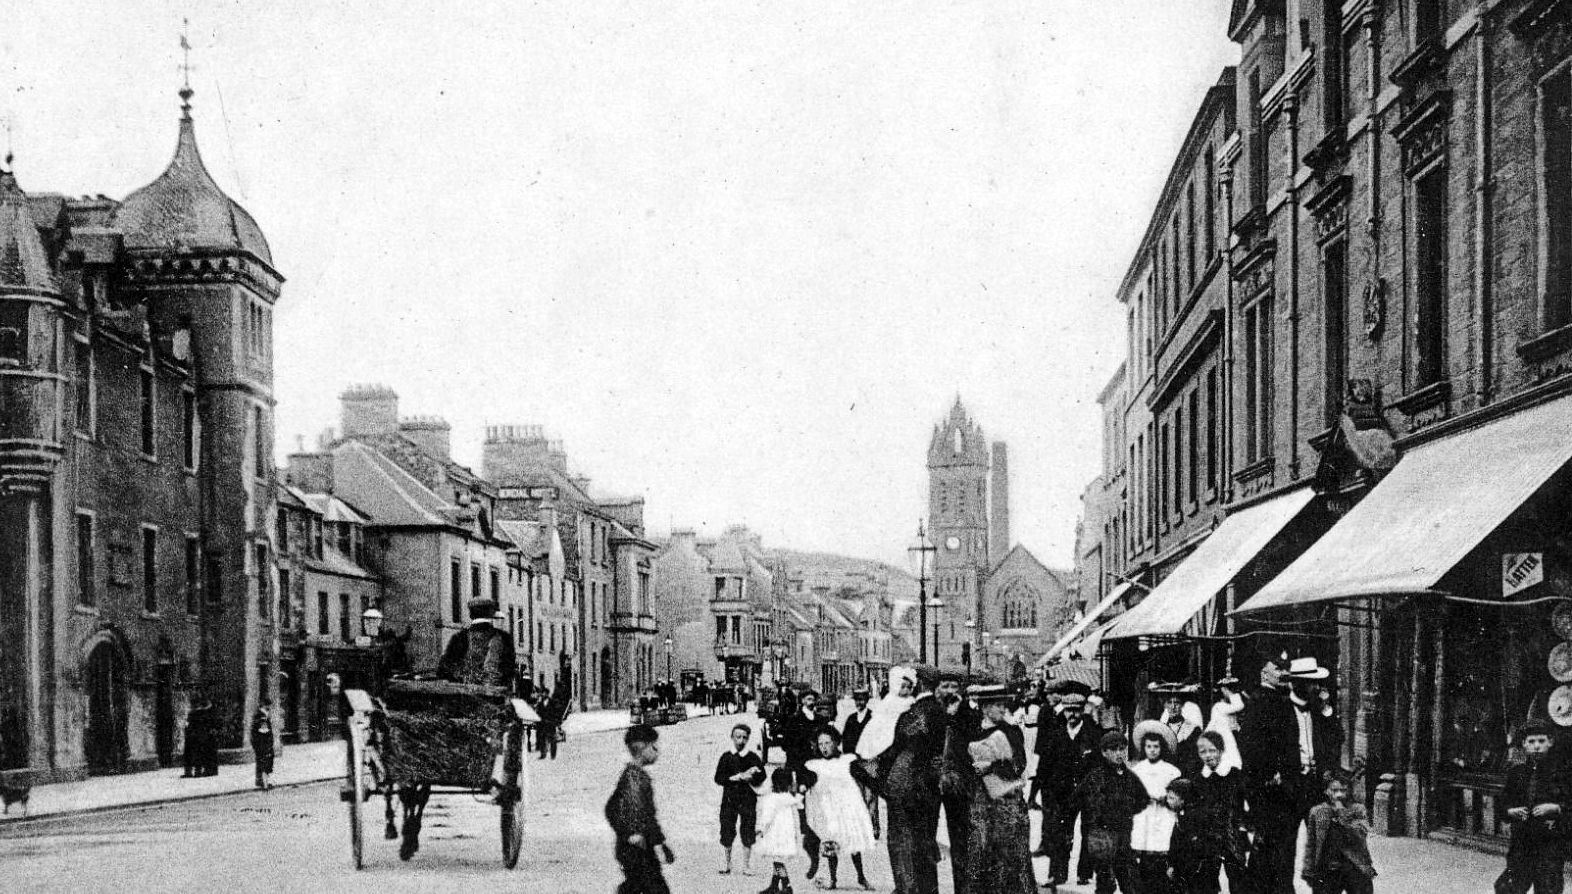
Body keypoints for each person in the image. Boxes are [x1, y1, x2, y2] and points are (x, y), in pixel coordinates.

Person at [1237, 652, 1304, 894]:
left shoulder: (1280, 699)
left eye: (1284, 668)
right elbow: (1252, 746)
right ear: (1264, 673)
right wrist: (1271, 774)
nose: (1283, 672)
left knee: (1278, 846)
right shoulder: (1261, 701)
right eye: (1277, 668)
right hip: (1270, 787)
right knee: (1273, 845)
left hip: (1282, 786)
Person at [876, 665, 947, 894]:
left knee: (903, 841)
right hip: (930, 788)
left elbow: (895, 748)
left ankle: (907, 888)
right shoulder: (941, 712)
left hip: (906, 787)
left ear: (920, 684)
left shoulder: (911, 714)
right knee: (926, 840)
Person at [962, 683, 1035, 894]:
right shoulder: (973, 730)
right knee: (983, 855)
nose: (1003, 710)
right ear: (985, 708)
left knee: (1011, 857)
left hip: (1006, 802)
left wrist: (991, 766)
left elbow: (1019, 766)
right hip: (981, 802)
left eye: (1004, 705)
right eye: (998, 705)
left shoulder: (1010, 731)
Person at [1036, 691, 1103, 888]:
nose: (1072, 714)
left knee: (1089, 830)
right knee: (1060, 832)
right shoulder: (1056, 734)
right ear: (1063, 711)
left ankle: (1084, 873)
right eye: (1068, 711)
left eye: (1076, 710)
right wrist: (1045, 790)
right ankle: (1057, 874)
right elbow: (1045, 765)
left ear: (1083, 711)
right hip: (1063, 793)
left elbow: (1101, 765)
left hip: (1088, 792)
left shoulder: (1094, 735)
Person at [1498, 718, 1569, 894]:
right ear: (1524, 744)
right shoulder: (1517, 773)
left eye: (1541, 741)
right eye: (1531, 741)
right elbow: (1503, 803)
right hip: (1522, 842)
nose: (1536, 746)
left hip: (1549, 843)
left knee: (1548, 888)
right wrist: (1510, 811)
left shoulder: (1562, 773)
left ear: (1550, 742)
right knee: (1507, 888)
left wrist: (1556, 808)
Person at [1071, 730, 1146, 894]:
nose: (1119, 753)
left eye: (1122, 749)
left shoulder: (1130, 777)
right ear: (1104, 752)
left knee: (1132, 882)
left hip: (1123, 837)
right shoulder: (1096, 776)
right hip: (1102, 838)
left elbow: (1142, 800)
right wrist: (1094, 821)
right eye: (1114, 749)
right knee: (1106, 883)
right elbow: (1076, 800)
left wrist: (1127, 812)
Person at [804, 726, 877, 890]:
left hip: (846, 807)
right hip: (828, 809)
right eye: (820, 744)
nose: (824, 747)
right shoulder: (815, 765)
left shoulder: (846, 761)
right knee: (831, 840)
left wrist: (876, 788)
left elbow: (865, 777)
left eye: (827, 743)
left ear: (836, 743)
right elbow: (807, 781)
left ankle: (861, 877)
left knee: (852, 839)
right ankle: (833, 879)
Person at [605, 724, 675, 894]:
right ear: (641, 747)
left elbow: (611, 808)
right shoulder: (635, 778)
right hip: (637, 848)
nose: (657, 751)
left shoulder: (632, 775)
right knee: (655, 889)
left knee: (637, 886)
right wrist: (632, 833)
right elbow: (640, 812)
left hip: (634, 847)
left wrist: (658, 841)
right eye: (653, 746)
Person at [1188, 730, 1251, 894]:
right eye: (1203, 752)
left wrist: (1244, 825)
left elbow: (1246, 803)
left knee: (1239, 882)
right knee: (1206, 882)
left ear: (1221, 751)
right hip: (1208, 838)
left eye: (1212, 750)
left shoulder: (1235, 775)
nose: (1208, 755)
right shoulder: (1198, 780)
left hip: (1233, 836)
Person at [937, 673, 984, 894]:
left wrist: (954, 716)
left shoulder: (970, 714)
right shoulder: (936, 712)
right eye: (945, 686)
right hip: (944, 784)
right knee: (955, 840)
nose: (950, 691)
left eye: (954, 686)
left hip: (965, 783)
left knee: (967, 840)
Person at [1303, 770, 1375, 894]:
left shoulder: (1358, 810)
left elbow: (1360, 835)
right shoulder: (1317, 812)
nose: (1339, 794)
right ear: (1327, 791)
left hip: (1354, 865)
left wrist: (1342, 813)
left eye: (1343, 790)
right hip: (1328, 866)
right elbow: (1311, 843)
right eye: (1334, 790)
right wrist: (1308, 869)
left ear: (1349, 791)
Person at [1130, 721, 1182, 893]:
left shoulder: (1172, 771)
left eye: (1156, 747)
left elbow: (1178, 796)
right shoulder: (1138, 770)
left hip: (1164, 817)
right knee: (1145, 862)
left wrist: (1165, 799)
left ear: (1162, 748)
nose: (1152, 750)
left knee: (1162, 861)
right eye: (1149, 746)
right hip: (1144, 818)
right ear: (1143, 748)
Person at [781, 690, 827, 880]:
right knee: (805, 817)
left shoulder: (821, 720)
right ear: (801, 701)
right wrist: (793, 775)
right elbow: (787, 747)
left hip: (819, 771)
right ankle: (813, 856)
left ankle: (824, 858)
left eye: (813, 699)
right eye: (808, 699)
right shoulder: (794, 720)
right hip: (801, 771)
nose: (811, 702)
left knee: (821, 813)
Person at [716, 723, 766, 876]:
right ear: (732, 737)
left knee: (748, 829)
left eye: (744, 737)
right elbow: (718, 778)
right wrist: (736, 777)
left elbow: (762, 775)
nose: (741, 740)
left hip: (747, 800)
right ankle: (727, 863)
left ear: (748, 739)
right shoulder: (726, 757)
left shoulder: (752, 757)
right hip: (729, 799)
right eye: (738, 737)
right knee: (727, 829)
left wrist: (752, 776)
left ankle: (746, 865)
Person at [437, 598, 516, 690]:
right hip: (496, 695)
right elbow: (509, 670)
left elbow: (443, 670)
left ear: (470, 615)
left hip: (465, 695)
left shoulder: (458, 638)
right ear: (491, 614)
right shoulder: (504, 637)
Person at [756, 767, 805, 894]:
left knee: (777, 860)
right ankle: (774, 885)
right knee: (777, 858)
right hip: (787, 834)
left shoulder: (772, 799)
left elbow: (767, 817)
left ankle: (786, 884)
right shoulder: (789, 798)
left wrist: (760, 828)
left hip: (775, 833)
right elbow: (799, 808)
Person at [841, 687, 880, 840]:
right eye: (857, 700)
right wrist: (848, 757)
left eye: (862, 700)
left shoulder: (873, 718)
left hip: (870, 762)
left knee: (870, 796)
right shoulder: (851, 719)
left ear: (867, 700)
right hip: (855, 762)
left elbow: (878, 739)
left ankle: (873, 828)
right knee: (857, 796)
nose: (859, 703)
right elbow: (845, 740)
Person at [1151, 682, 1204, 778]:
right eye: (1169, 702)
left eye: (1177, 703)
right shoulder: (1160, 730)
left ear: (1182, 705)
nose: (1173, 707)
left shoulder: (1193, 730)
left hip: (1184, 777)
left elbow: (1195, 761)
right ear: (1165, 705)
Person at [1204, 676, 1245, 774]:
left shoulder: (1228, 706)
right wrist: (1230, 693)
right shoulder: (1219, 706)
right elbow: (1239, 706)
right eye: (1231, 689)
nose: (1234, 692)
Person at [250, 704, 275, 791]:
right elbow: (264, 733)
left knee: (261, 763)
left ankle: (260, 781)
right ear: (265, 706)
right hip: (263, 745)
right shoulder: (262, 718)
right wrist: (268, 746)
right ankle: (265, 785)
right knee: (265, 764)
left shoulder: (259, 715)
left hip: (259, 745)